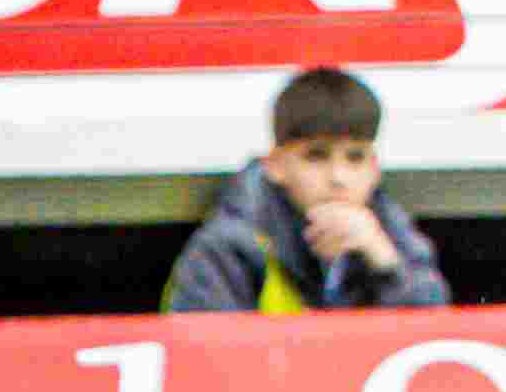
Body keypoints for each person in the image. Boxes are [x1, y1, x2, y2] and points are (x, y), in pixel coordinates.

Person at [163, 65, 453, 312]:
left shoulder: (392, 237)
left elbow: (433, 343)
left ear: (374, 169)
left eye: (355, 157)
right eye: (316, 156)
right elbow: (204, 359)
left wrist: (386, 264)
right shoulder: (228, 245)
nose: (338, 177)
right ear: (275, 166)